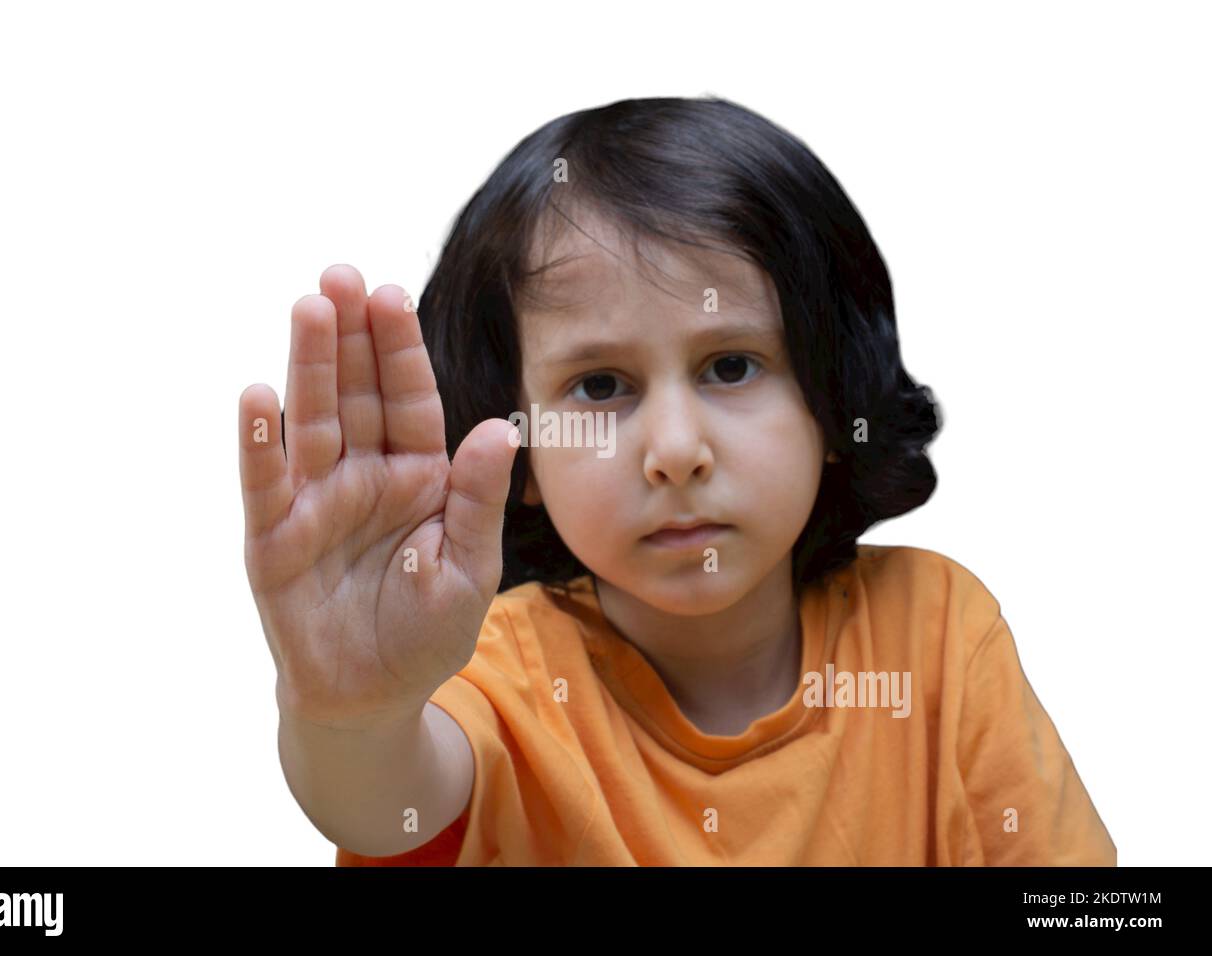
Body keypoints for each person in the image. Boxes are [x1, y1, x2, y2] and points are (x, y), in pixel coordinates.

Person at [237, 96, 1116, 866]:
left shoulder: (940, 634)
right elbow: (390, 802)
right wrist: (352, 717)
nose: (675, 450)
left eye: (731, 366)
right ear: (520, 452)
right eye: (601, 387)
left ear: (831, 393)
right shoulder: (495, 671)